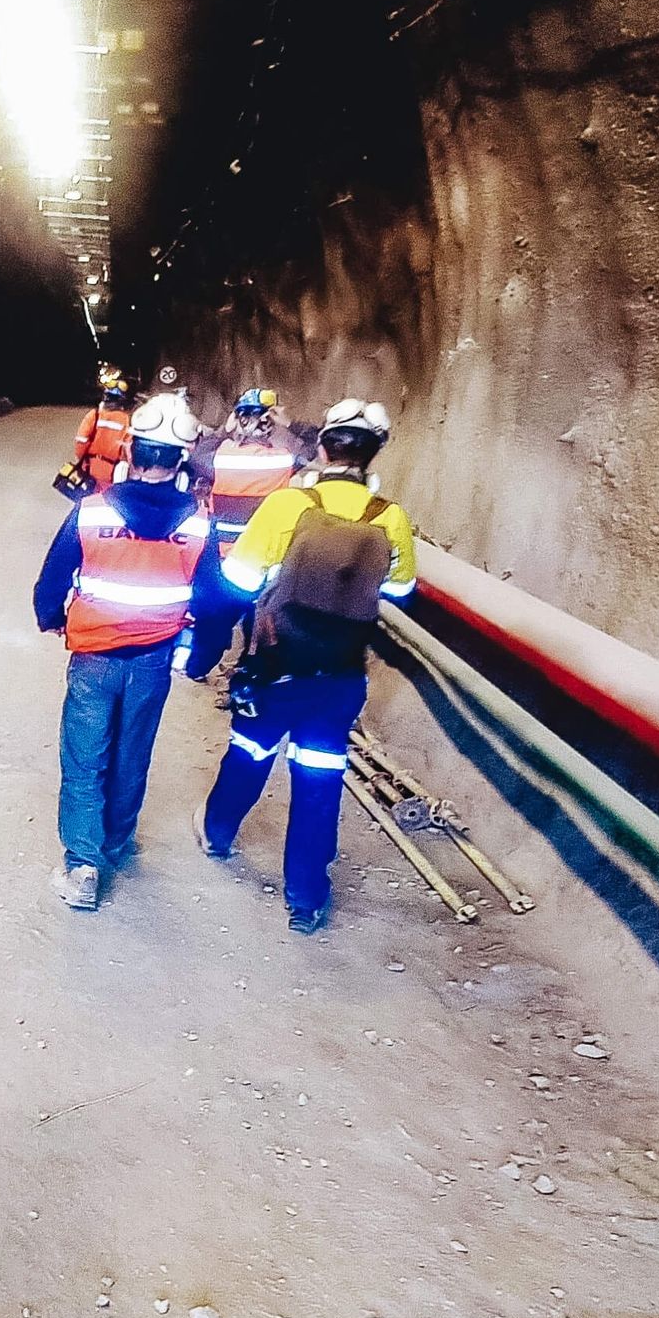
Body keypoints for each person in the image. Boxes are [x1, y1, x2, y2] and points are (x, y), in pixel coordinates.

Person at [185, 398, 417, 935]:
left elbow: (238, 581)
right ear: (374, 454)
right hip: (340, 673)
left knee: (250, 753)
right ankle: (306, 898)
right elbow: (400, 589)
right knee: (319, 777)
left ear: (323, 450)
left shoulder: (288, 505)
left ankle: (218, 834)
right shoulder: (391, 518)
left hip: (277, 665)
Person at [34, 390, 233, 911]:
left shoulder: (91, 511)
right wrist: (201, 658)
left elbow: (50, 584)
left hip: (93, 659)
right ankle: (116, 844)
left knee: (85, 759)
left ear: (129, 451)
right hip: (152, 664)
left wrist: (53, 619)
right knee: (132, 754)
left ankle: (83, 865)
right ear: (181, 460)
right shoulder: (198, 523)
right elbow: (216, 603)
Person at [190, 387, 306, 547]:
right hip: (263, 547)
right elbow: (315, 445)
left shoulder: (221, 458)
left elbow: (196, 456)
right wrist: (290, 423)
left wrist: (224, 431)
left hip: (225, 545)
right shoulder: (283, 460)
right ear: (270, 425)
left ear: (237, 421)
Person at [56, 364, 133, 498]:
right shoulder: (127, 420)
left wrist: (83, 460)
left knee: (86, 501)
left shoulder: (94, 415)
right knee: (108, 502)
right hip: (112, 472)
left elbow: (81, 442)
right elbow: (128, 452)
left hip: (90, 469)